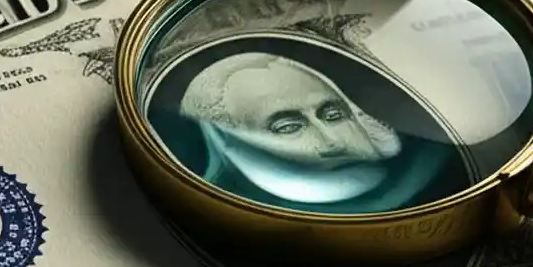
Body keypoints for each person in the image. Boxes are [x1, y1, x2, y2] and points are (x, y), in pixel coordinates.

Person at [175, 51, 470, 214]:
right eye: (289, 127)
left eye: (333, 115)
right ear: (224, 139)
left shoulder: (433, 166)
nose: (332, 141)